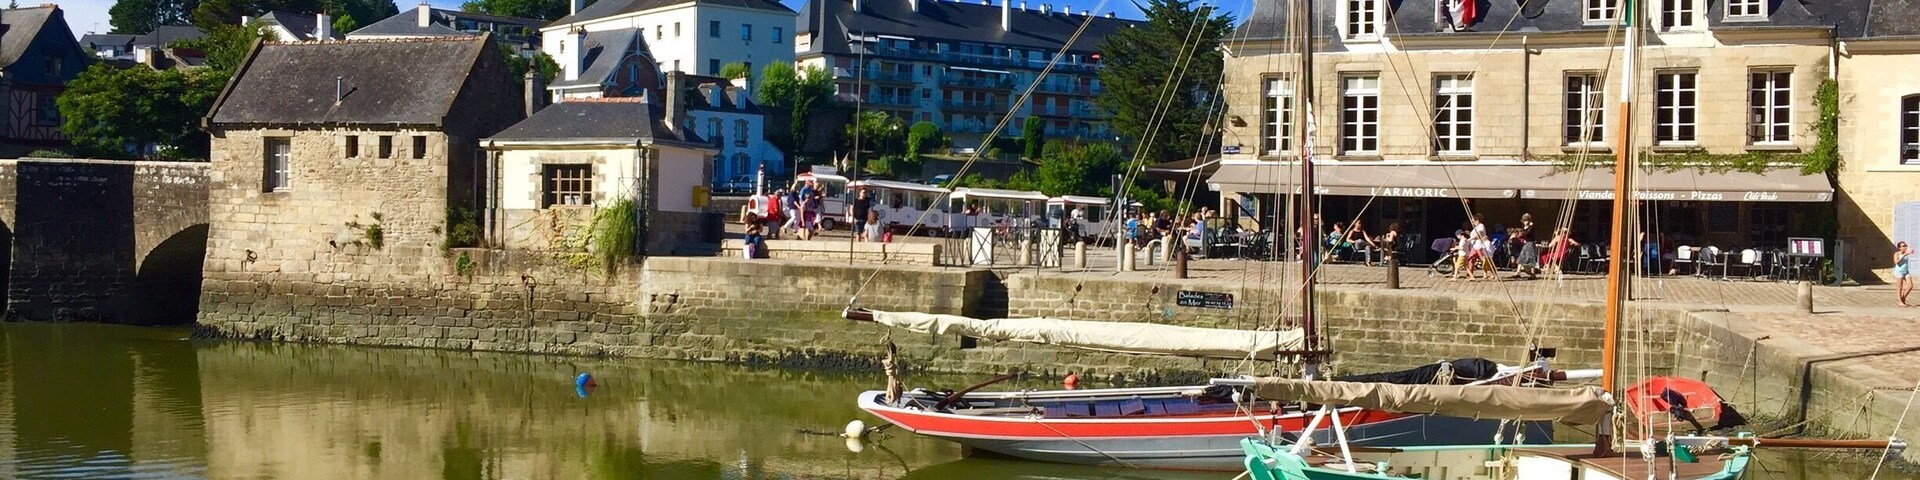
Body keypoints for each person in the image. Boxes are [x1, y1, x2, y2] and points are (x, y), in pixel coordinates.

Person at [1896, 241, 1912, 307]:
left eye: (1906, 245)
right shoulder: (1897, 254)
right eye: (1903, 246)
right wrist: (1903, 255)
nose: (1905, 247)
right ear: (1899, 248)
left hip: (1906, 271)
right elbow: (1896, 262)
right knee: (1899, 287)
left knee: (1910, 286)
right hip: (1899, 271)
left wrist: (1906, 253)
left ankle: (1902, 298)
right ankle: (1900, 302)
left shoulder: (1906, 253)